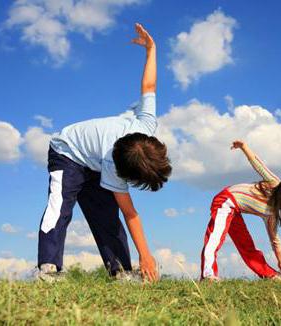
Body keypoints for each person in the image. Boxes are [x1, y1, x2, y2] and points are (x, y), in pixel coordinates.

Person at [37, 23, 170, 282]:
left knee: (106, 215)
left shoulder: (146, 124)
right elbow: (131, 213)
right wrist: (146, 254)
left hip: (94, 160)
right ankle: (48, 269)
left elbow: (149, 85)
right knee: (60, 206)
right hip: (67, 152)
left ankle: (120, 272)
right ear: (122, 171)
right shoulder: (113, 163)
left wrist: (151, 49)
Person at [200, 140, 281, 281]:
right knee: (215, 239)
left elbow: (275, 240)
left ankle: (272, 276)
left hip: (235, 210)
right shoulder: (274, 183)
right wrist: (244, 147)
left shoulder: (271, 214)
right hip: (225, 201)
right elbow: (257, 165)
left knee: (247, 247)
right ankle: (208, 275)